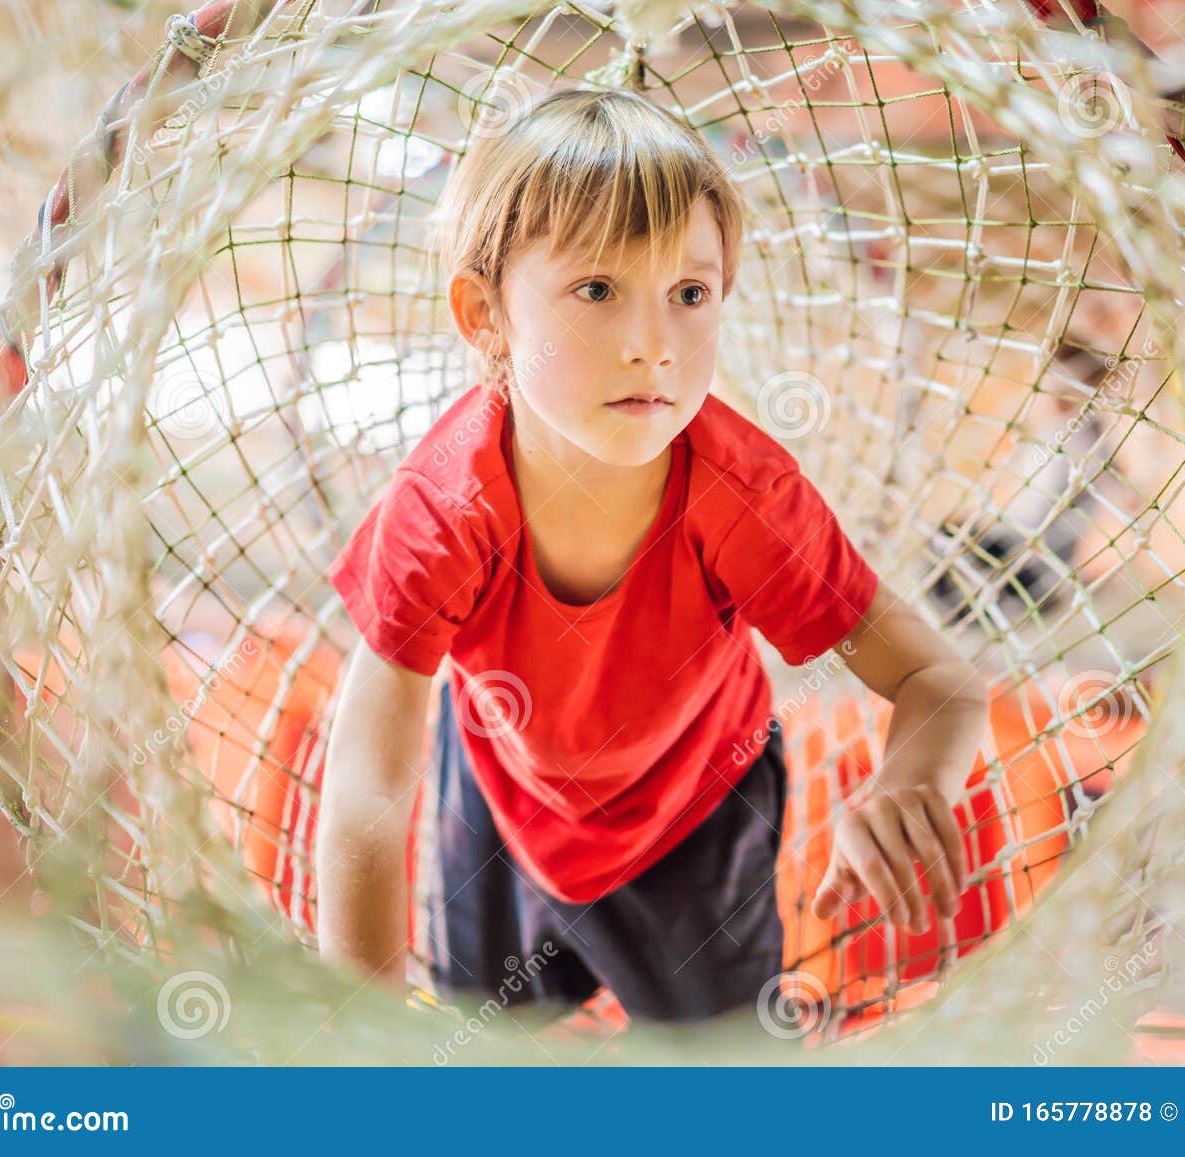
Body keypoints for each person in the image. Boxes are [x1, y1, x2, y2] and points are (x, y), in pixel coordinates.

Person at [315, 87, 988, 1026]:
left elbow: (941, 680)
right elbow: (364, 794)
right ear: (485, 315)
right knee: (480, 1042)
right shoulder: (441, 510)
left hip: (695, 812)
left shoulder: (741, 496)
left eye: (689, 294)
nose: (652, 346)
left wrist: (909, 776)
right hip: (500, 793)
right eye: (597, 290)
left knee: (724, 1076)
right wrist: (363, 1035)